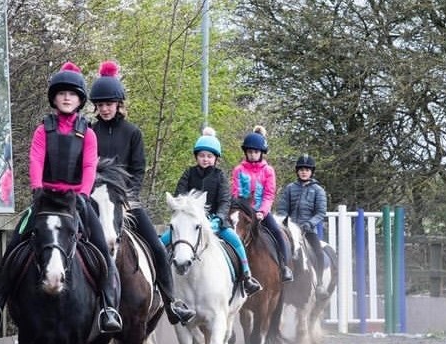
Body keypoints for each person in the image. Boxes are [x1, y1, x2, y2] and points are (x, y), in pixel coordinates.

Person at [0, 62, 122, 333]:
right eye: (62, 93)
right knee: (14, 248)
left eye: (72, 94)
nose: (67, 97)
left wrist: (83, 194)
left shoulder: (88, 133)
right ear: (54, 98)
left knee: (102, 250)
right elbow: (36, 158)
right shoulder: (43, 130)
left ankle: (108, 308)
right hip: (46, 199)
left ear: (80, 99)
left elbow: (90, 165)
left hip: (75, 200)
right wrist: (36, 188)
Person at [89, 60, 195, 325]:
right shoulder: (89, 132)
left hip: (126, 202)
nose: (104, 109)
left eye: (109, 104)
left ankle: (172, 302)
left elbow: (138, 169)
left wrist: (127, 198)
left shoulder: (132, 132)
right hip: (94, 202)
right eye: (100, 105)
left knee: (158, 247)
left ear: (118, 104)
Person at [160, 128, 262, 296]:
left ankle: (246, 276)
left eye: (209, 156)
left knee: (236, 241)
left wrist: (219, 218)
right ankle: (159, 277)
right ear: (196, 157)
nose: (205, 159)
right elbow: (179, 195)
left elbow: (224, 201)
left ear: (215, 158)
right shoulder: (188, 173)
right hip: (190, 221)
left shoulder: (220, 176)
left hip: (215, 221)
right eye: (202, 156)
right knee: (162, 242)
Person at [230, 126, 294, 283]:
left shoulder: (268, 171)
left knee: (277, 232)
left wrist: (262, 212)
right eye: (250, 152)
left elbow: (269, 194)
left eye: (255, 152)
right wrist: (238, 210)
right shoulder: (238, 170)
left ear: (261, 153)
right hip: (242, 212)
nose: (252, 155)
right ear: (246, 152)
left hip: (260, 212)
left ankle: (284, 266)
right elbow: (235, 193)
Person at [277, 154, 328, 296]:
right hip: (290, 229)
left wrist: (309, 223)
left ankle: (319, 283)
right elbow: (282, 208)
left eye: (307, 169)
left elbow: (320, 212)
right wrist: (286, 223)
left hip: (307, 229)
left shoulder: (318, 190)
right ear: (297, 171)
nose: (304, 172)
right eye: (301, 169)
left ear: (311, 171)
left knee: (317, 251)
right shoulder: (289, 188)